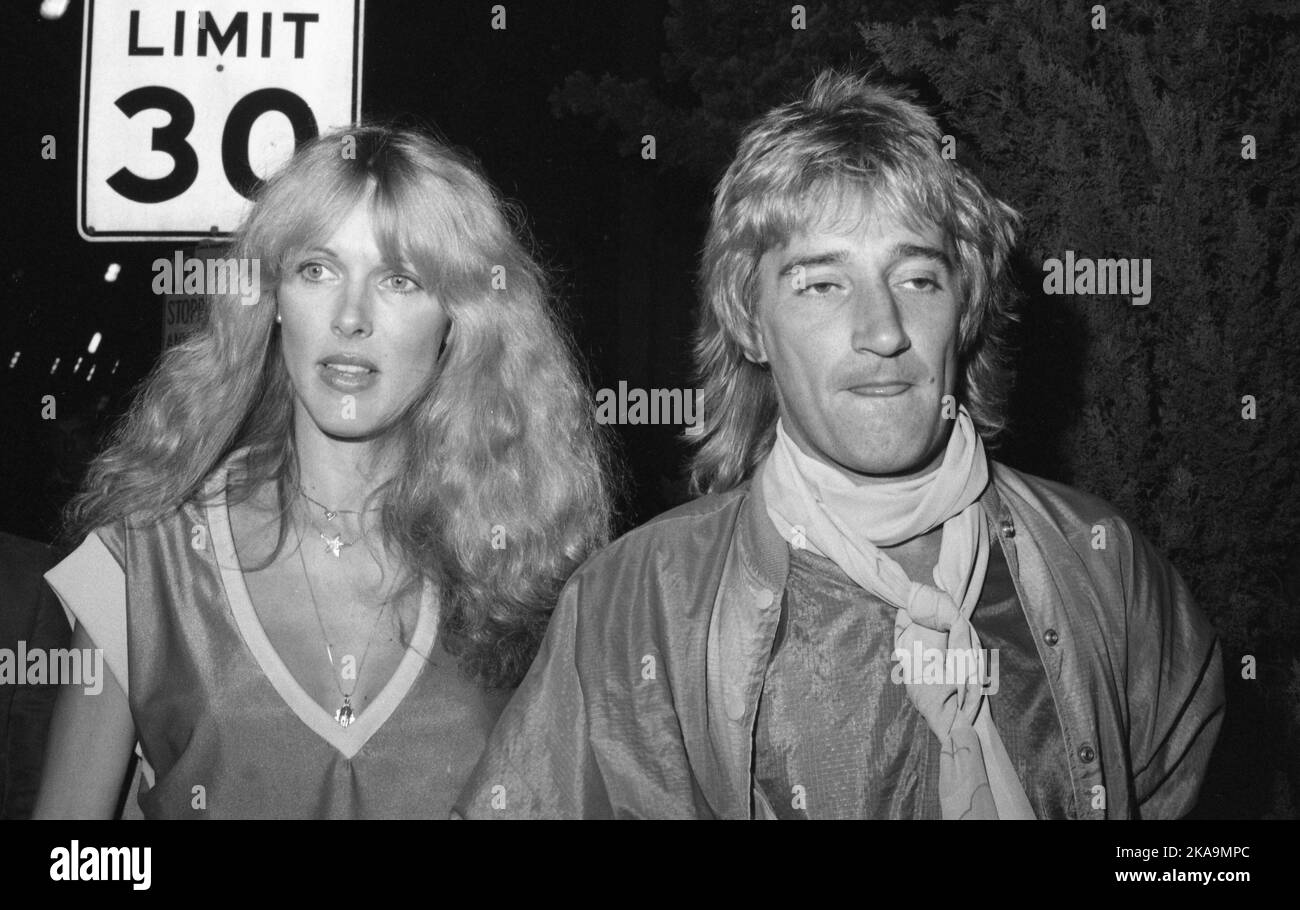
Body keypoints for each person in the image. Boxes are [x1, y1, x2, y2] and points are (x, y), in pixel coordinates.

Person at [454, 71, 1225, 819]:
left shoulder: (1104, 566)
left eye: (918, 278)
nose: (883, 332)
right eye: (822, 284)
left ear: (967, 310)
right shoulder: (637, 606)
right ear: (750, 323)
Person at [35, 125, 614, 819]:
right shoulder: (144, 565)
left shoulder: (531, 576)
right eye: (317, 270)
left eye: (400, 280)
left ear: (459, 323)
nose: (350, 317)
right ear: (272, 300)